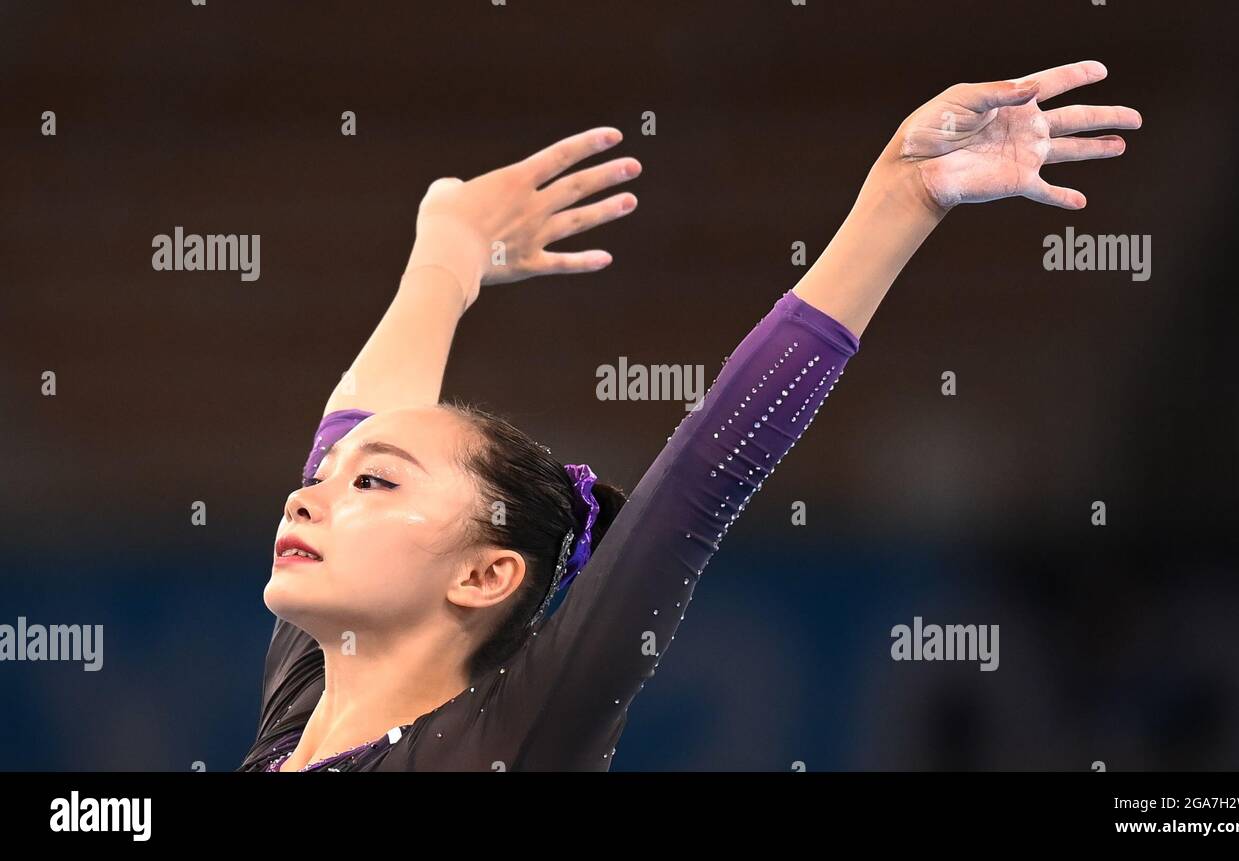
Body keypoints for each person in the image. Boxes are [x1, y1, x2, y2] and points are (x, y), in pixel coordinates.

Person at [237, 59, 1140, 771]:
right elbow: (354, 423)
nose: (305, 497)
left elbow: (701, 481)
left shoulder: (508, 742)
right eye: (323, 481)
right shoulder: (301, 717)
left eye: (373, 482)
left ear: (484, 574)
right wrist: (448, 253)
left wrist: (899, 200)